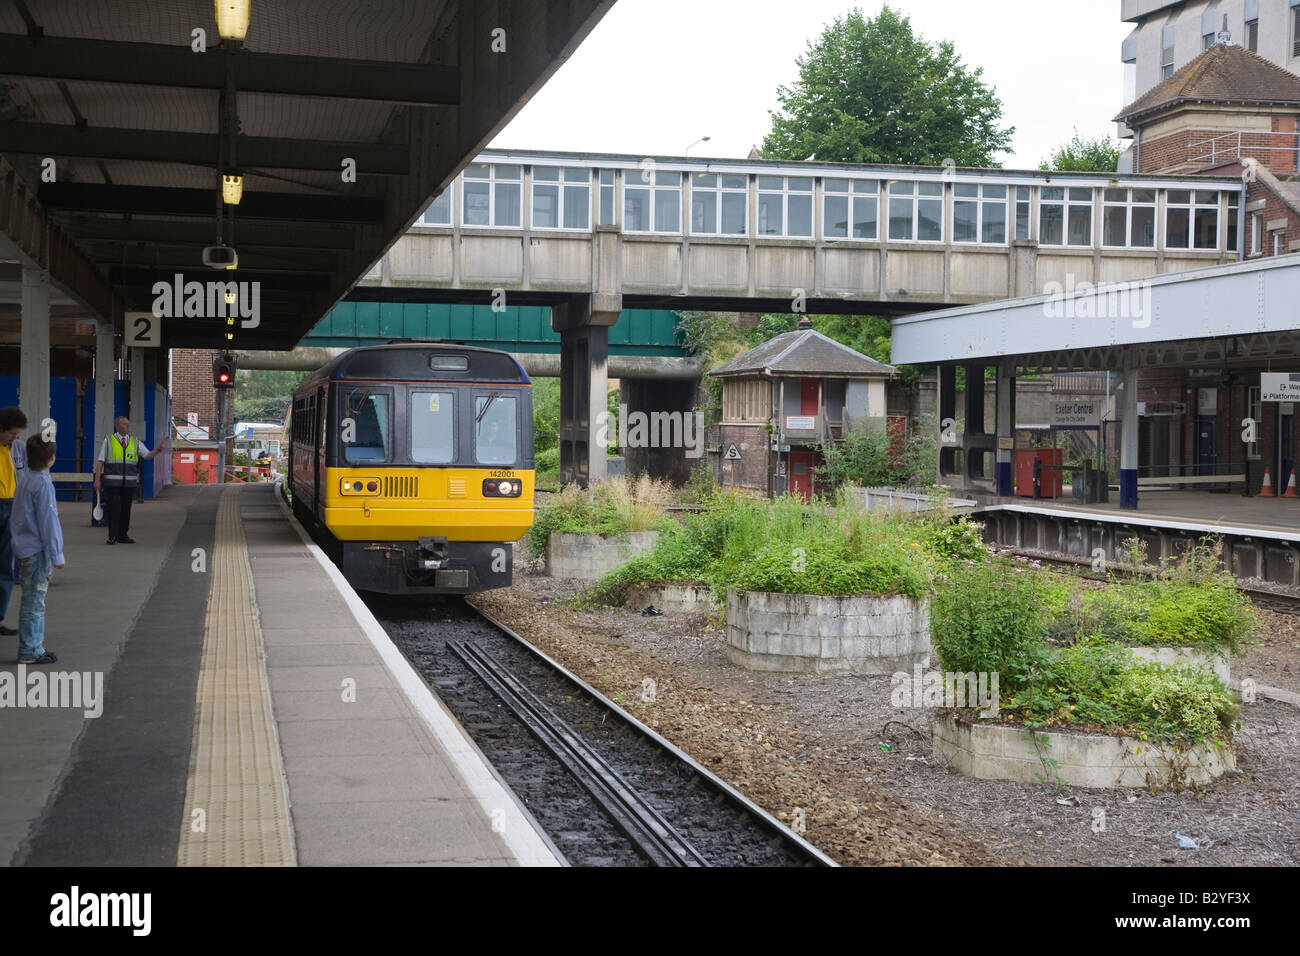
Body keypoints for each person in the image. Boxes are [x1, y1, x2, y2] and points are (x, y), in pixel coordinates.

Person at [11, 436, 63, 665]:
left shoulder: (24, 479)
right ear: (51, 459)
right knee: (35, 601)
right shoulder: (43, 483)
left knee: (30, 598)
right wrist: (57, 553)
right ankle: (30, 650)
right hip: (37, 549)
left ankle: (33, 646)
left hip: (23, 547)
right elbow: (48, 521)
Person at [92, 416, 168, 545]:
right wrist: (97, 480)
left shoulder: (135, 441)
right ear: (117, 426)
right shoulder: (109, 441)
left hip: (129, 483)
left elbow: (147, 455)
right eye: (124, 424)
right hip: (112, 482)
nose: (127, 427)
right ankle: (112, 536)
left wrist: (158, 450)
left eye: (128, 424)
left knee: (126, 509)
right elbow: (100, 462)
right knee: (114, 508)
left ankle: (123, 535)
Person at [0, 406, 27, 638]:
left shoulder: (13, 449)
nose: (15, 438)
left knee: (5, 565)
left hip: (10, 506)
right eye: (12, 434)